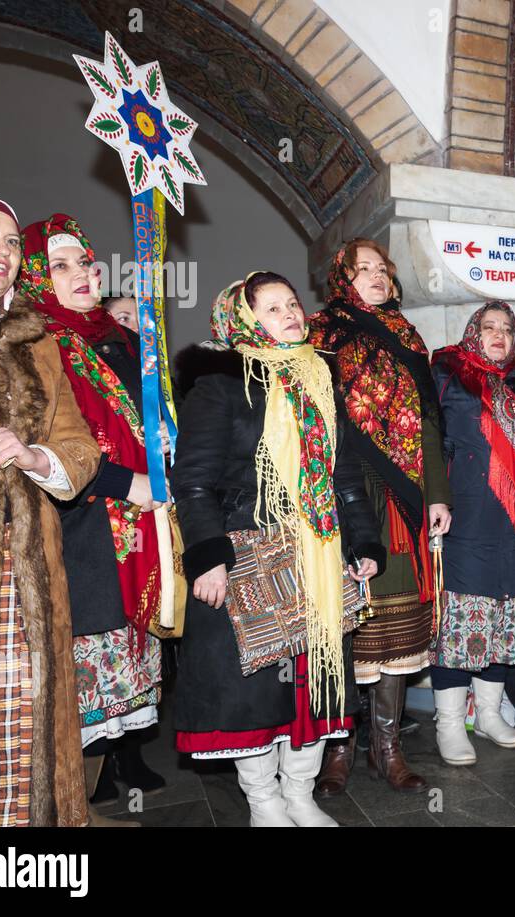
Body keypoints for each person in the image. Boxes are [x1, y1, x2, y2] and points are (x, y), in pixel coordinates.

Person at [172, 273, 383, 826]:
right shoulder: (221, 382)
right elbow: (192, 478)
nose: (291, 314)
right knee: (258, 691)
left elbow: (343, 477)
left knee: (318, 683)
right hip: (247, 551)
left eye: (292, 304)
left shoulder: (319, 377)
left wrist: (364, 542)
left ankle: (299, 795)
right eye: (272, 308)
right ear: (245, 320)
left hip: (317, 552)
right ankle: (264, 803)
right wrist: (207, 555)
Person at [0, 189, 101, 826]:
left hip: (27, 571)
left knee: (27, 725)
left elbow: (79, 447)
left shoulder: (40, 345)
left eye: (9, 240)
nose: (2, 250)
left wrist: (35, 457)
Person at [18, 214, 165, 825]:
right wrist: (123, 482)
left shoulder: (123, 338)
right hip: (77, 530)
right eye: (61, 265)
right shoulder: (30, 340)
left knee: (116, 694)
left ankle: (80, 809)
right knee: (76, 697)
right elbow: (45, 442)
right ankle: (55, 817)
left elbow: (151, 424)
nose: (82, 273)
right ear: (34, 278)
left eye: (86, 261)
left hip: (139, 535)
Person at [309, 238, 449, 794]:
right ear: (342, 278)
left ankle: (387, 747)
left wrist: (437, 495)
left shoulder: (409, 337)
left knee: (396, 623)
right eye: (361, 269)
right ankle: (339, 747)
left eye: (381, 270)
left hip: (403, 495)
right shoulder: (321, 331)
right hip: (344, 490)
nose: (374, 276)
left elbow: (431, 424)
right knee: (347, 618)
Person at [429, 302, 515, 765]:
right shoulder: (447, 372)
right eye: (489, 328)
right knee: (463, 620)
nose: (499, 336)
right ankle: (449, 723)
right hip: (468, 516)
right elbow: (429, 440)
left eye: (507, 329)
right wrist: (434, 497)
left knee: (505, 618)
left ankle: (488, 713)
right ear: (473, 332)